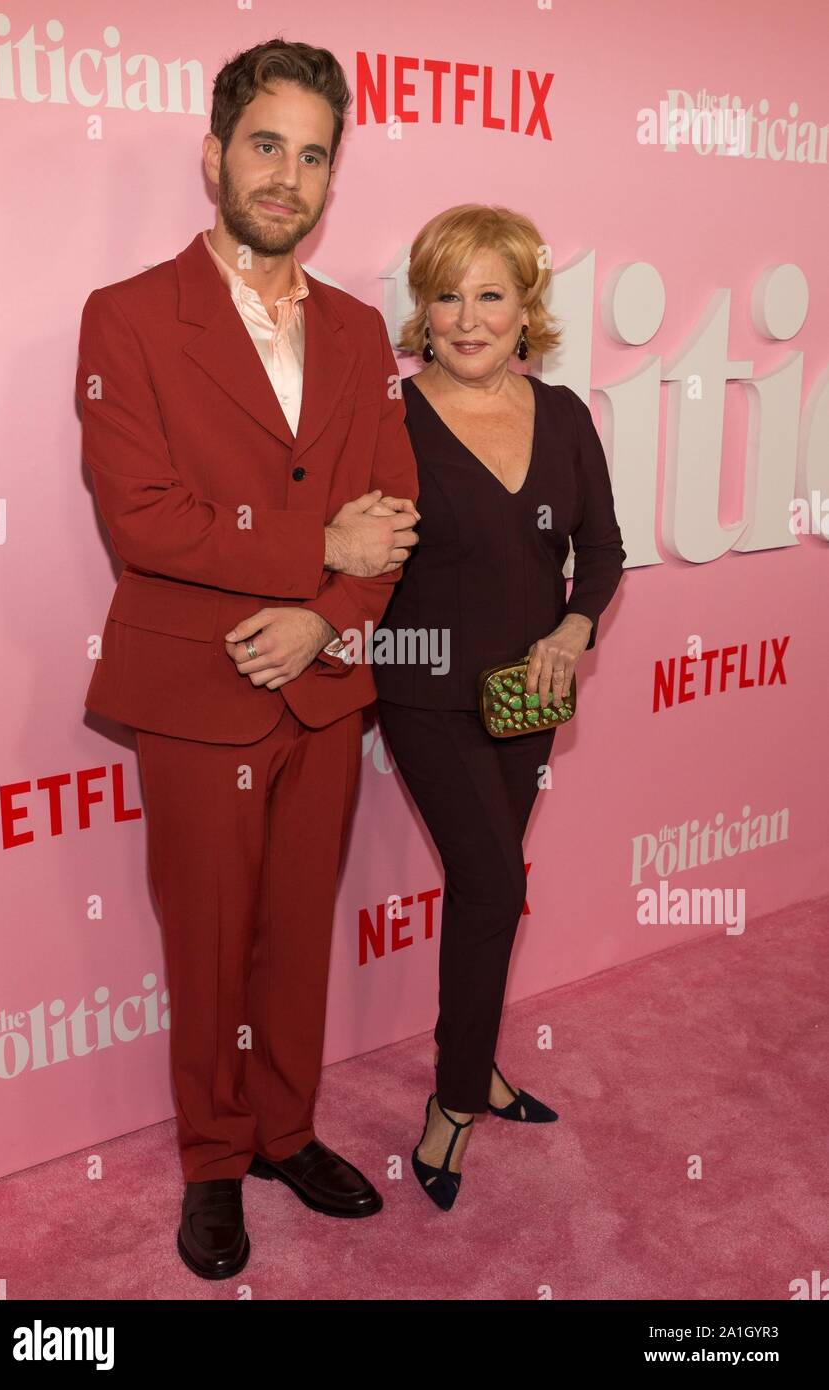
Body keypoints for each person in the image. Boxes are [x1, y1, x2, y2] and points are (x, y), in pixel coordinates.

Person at [75, 37, 419, 1278]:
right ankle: (212, 1162)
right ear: (215, 154)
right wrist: (308, 549)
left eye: (312, 153)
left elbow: (391, 513)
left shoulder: (360, 326)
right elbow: (144, 517)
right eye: (265, 144)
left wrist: (325, 613)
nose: (286, 174)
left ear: (332, 177)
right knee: (208, 937)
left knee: (296, 931)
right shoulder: (124, 317)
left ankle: (284, 1130)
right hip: (192, 688)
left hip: (323, 686)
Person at [374, 204, 626, 1209]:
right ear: (421, 309)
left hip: (528, 695)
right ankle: (452, 1102)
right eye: (446, 294)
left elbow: (599, 549)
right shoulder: (386, 419)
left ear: (527, 307)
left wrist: (574, 630)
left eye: (491, 293)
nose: (467, 317)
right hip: (421, 686)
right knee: (490, 885)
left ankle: (471, 1062)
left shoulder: (562, 415)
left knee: (485, 898)